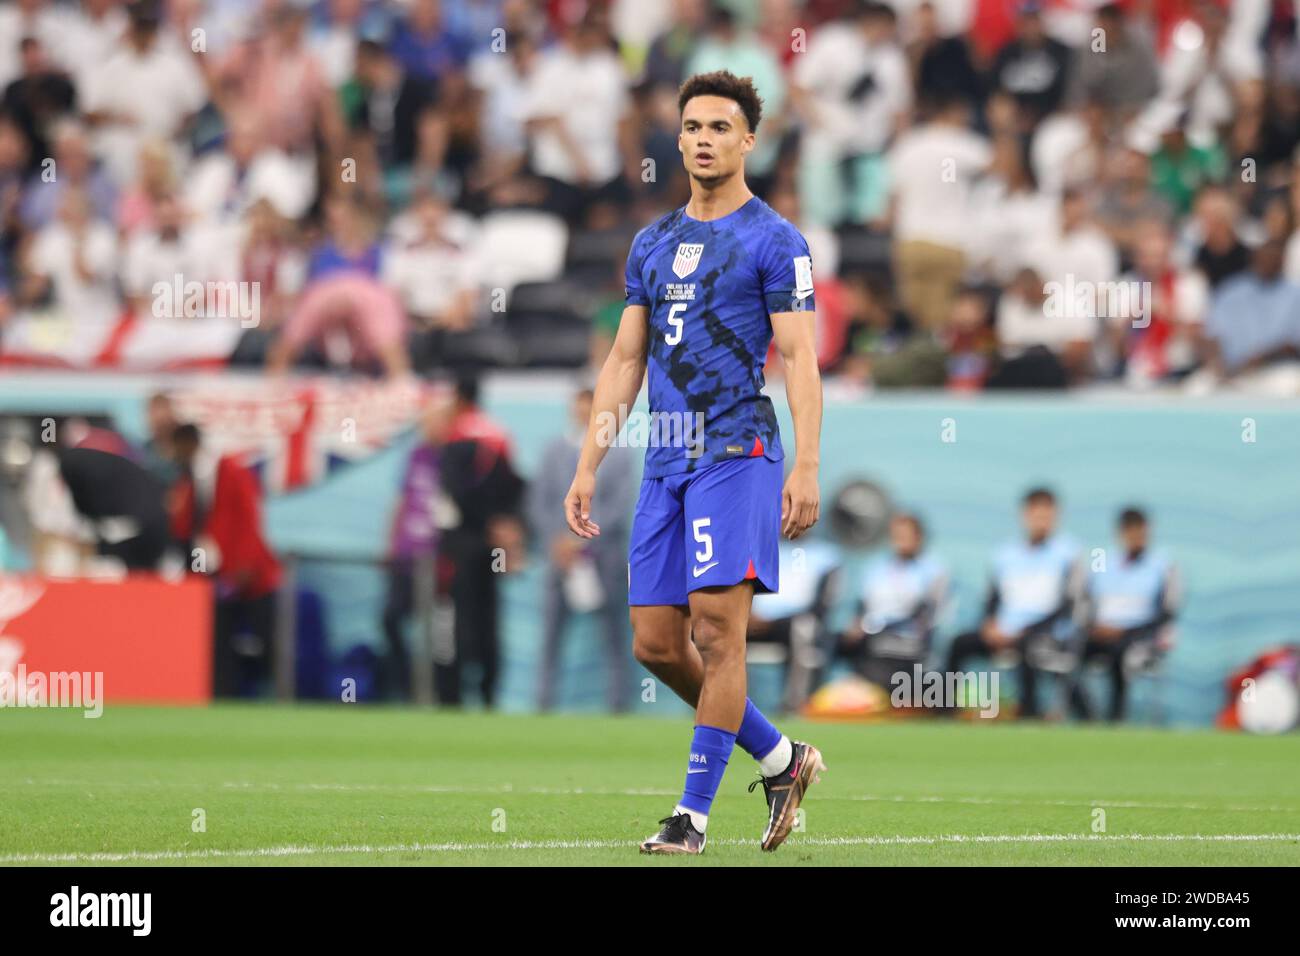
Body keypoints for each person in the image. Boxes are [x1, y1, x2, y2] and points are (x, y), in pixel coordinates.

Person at [564, 71, 825, 856]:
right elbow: (624, 359)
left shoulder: (777, 240)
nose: (704, 138)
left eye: (721, 126)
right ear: (676, 140)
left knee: (718, 632)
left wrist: (806, 465)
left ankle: (692, 816)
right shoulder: (652, 243)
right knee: (654, 642)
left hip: (737, 451)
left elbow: (800, 358)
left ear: (749, 140)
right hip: (666, 458)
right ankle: (782, 759)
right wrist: (588, 463)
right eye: (693, 126)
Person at [530, 387, 633, 713]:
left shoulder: (620, 455)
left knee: (616, 639)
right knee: (550, 640)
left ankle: (619, 708)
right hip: (561, 561)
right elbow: (539, 502)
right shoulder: (553, 451)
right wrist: (559, 541)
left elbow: (619, 507)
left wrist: (583, 538)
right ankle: (543, 705)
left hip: (605, 562)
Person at [944, 487, 1084, 718]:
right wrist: (990, 625)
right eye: (1036, 515)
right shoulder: (1005, 554)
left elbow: (1069, 606)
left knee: (1029, 648)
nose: (1041, 521)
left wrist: (1024, 631)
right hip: (1004, 632)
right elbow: (993, 599)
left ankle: (1029, 714)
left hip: (1045, 634)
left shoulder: (1069, 553)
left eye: (1047, 515)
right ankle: (946, 711)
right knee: (959, 643)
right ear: (1025, 515)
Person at [169, 423, 283, 697]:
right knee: (217, 638)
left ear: (189, 443)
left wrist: (244, 565)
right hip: (214, 572)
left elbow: (249, 519)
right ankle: (223, 692)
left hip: (249, 573)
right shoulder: (189, 479)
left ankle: (280, 693)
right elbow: (186, 528)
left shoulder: (230, 471)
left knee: (266, 637)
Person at [437, 375, 525, 708]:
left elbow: (455, 491)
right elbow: (516, 484)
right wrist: (503, 524)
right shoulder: (498, 434)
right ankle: (489, 694)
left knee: (457, 616)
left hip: (462, 541)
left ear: (459, 398)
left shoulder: (455, 434)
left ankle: (453, 696)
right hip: (493, 544)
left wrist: (481, 521)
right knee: (489, 617)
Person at [1070, 508, 1179, 722]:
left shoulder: (1162, 564)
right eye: (1130, 532)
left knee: (1121, 653)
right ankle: (1088, 717)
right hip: (1103, 633)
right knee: (1069, 655)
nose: (1136, 539)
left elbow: (1166, 612)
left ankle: (1115, 718)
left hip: (1139, 636)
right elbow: (1086, 601)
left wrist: (1125, 631)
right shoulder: (1102, 561)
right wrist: (1093, 626)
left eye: (1140, 533)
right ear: (1121, 533)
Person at [836, 513, 947, 689]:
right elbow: (862, 605)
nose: (899, 541)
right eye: (896, 536)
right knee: (829, 642)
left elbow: (924, 615)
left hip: (906, 640)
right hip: (869, 637)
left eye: (905, 536)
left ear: (919, 537)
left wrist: (871, 626)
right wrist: (857, 624)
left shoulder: (933, 571)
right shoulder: (876, 567)